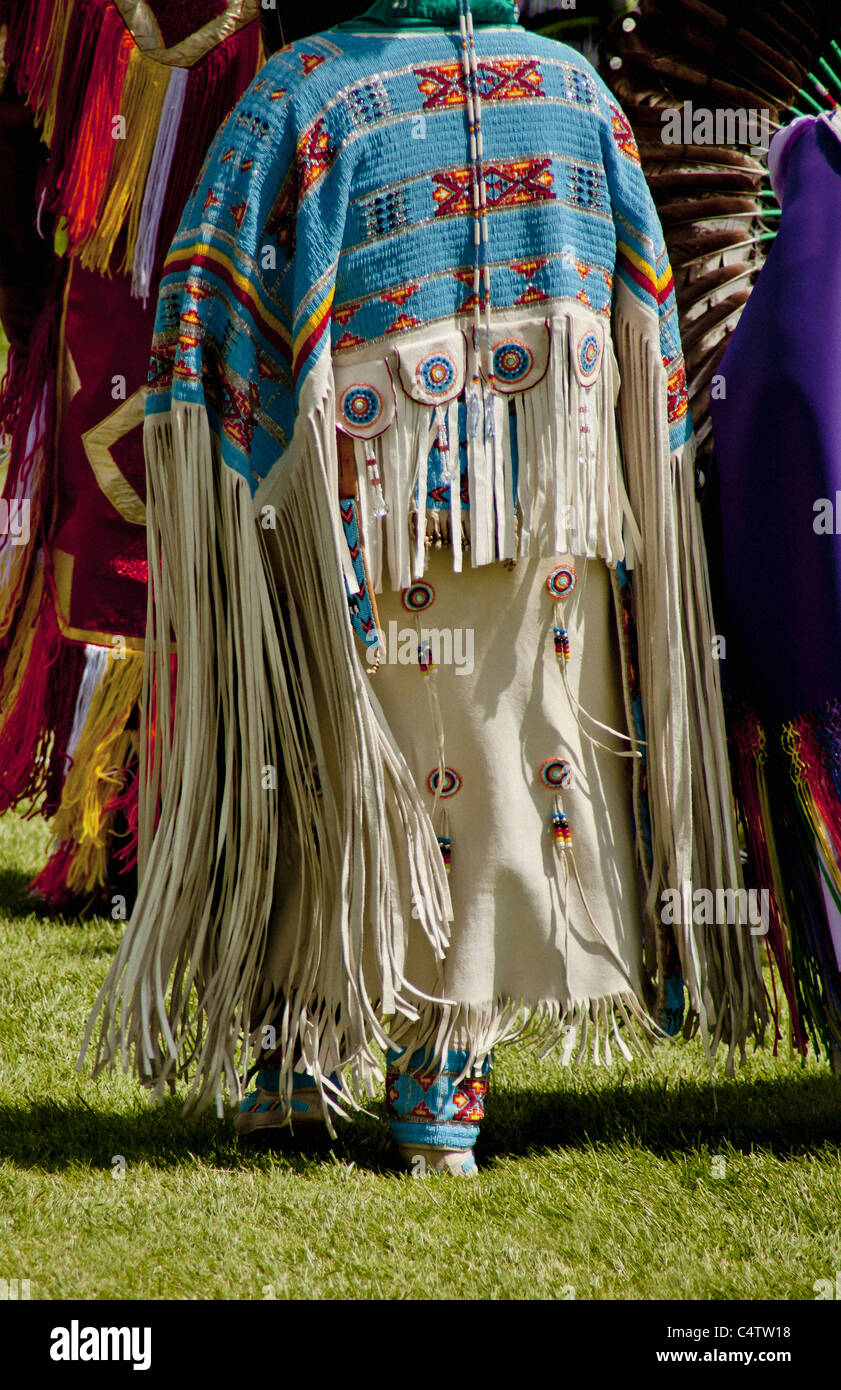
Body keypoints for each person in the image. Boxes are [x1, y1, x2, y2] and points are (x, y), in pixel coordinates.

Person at [83, 0, 765, 1174]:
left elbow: (204, 306)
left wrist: (247, 461)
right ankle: (436, 1088)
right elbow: (644, 316)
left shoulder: (308, 93)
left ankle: (295, 1058)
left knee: (331, 773)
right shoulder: (572, 93)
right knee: (498, 776)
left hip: (357, 526)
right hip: (544, 517)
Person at [0, 0, 261, 912]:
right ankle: (145, 828)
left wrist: (25, 306)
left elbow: (17, 147)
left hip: (117, 304)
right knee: (181, 544)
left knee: (142, 538)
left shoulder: (67, 14)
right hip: (211, 304)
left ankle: (117, 834)